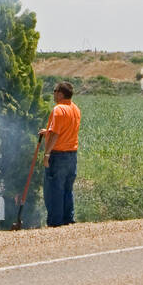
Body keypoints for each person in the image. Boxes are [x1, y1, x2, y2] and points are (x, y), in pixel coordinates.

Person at [40, 81, 81, 227]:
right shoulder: (75, 109)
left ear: (60, 93)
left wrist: (46, 155)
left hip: (58, 155)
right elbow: (64, 131)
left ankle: (55, 223)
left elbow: (56, 134)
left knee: (54, 190)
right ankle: (68, 220)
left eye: (55, 90)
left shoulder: (58, 109)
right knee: (67, 189)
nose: (53, 93)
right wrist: (48, 133)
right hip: (72, 155)